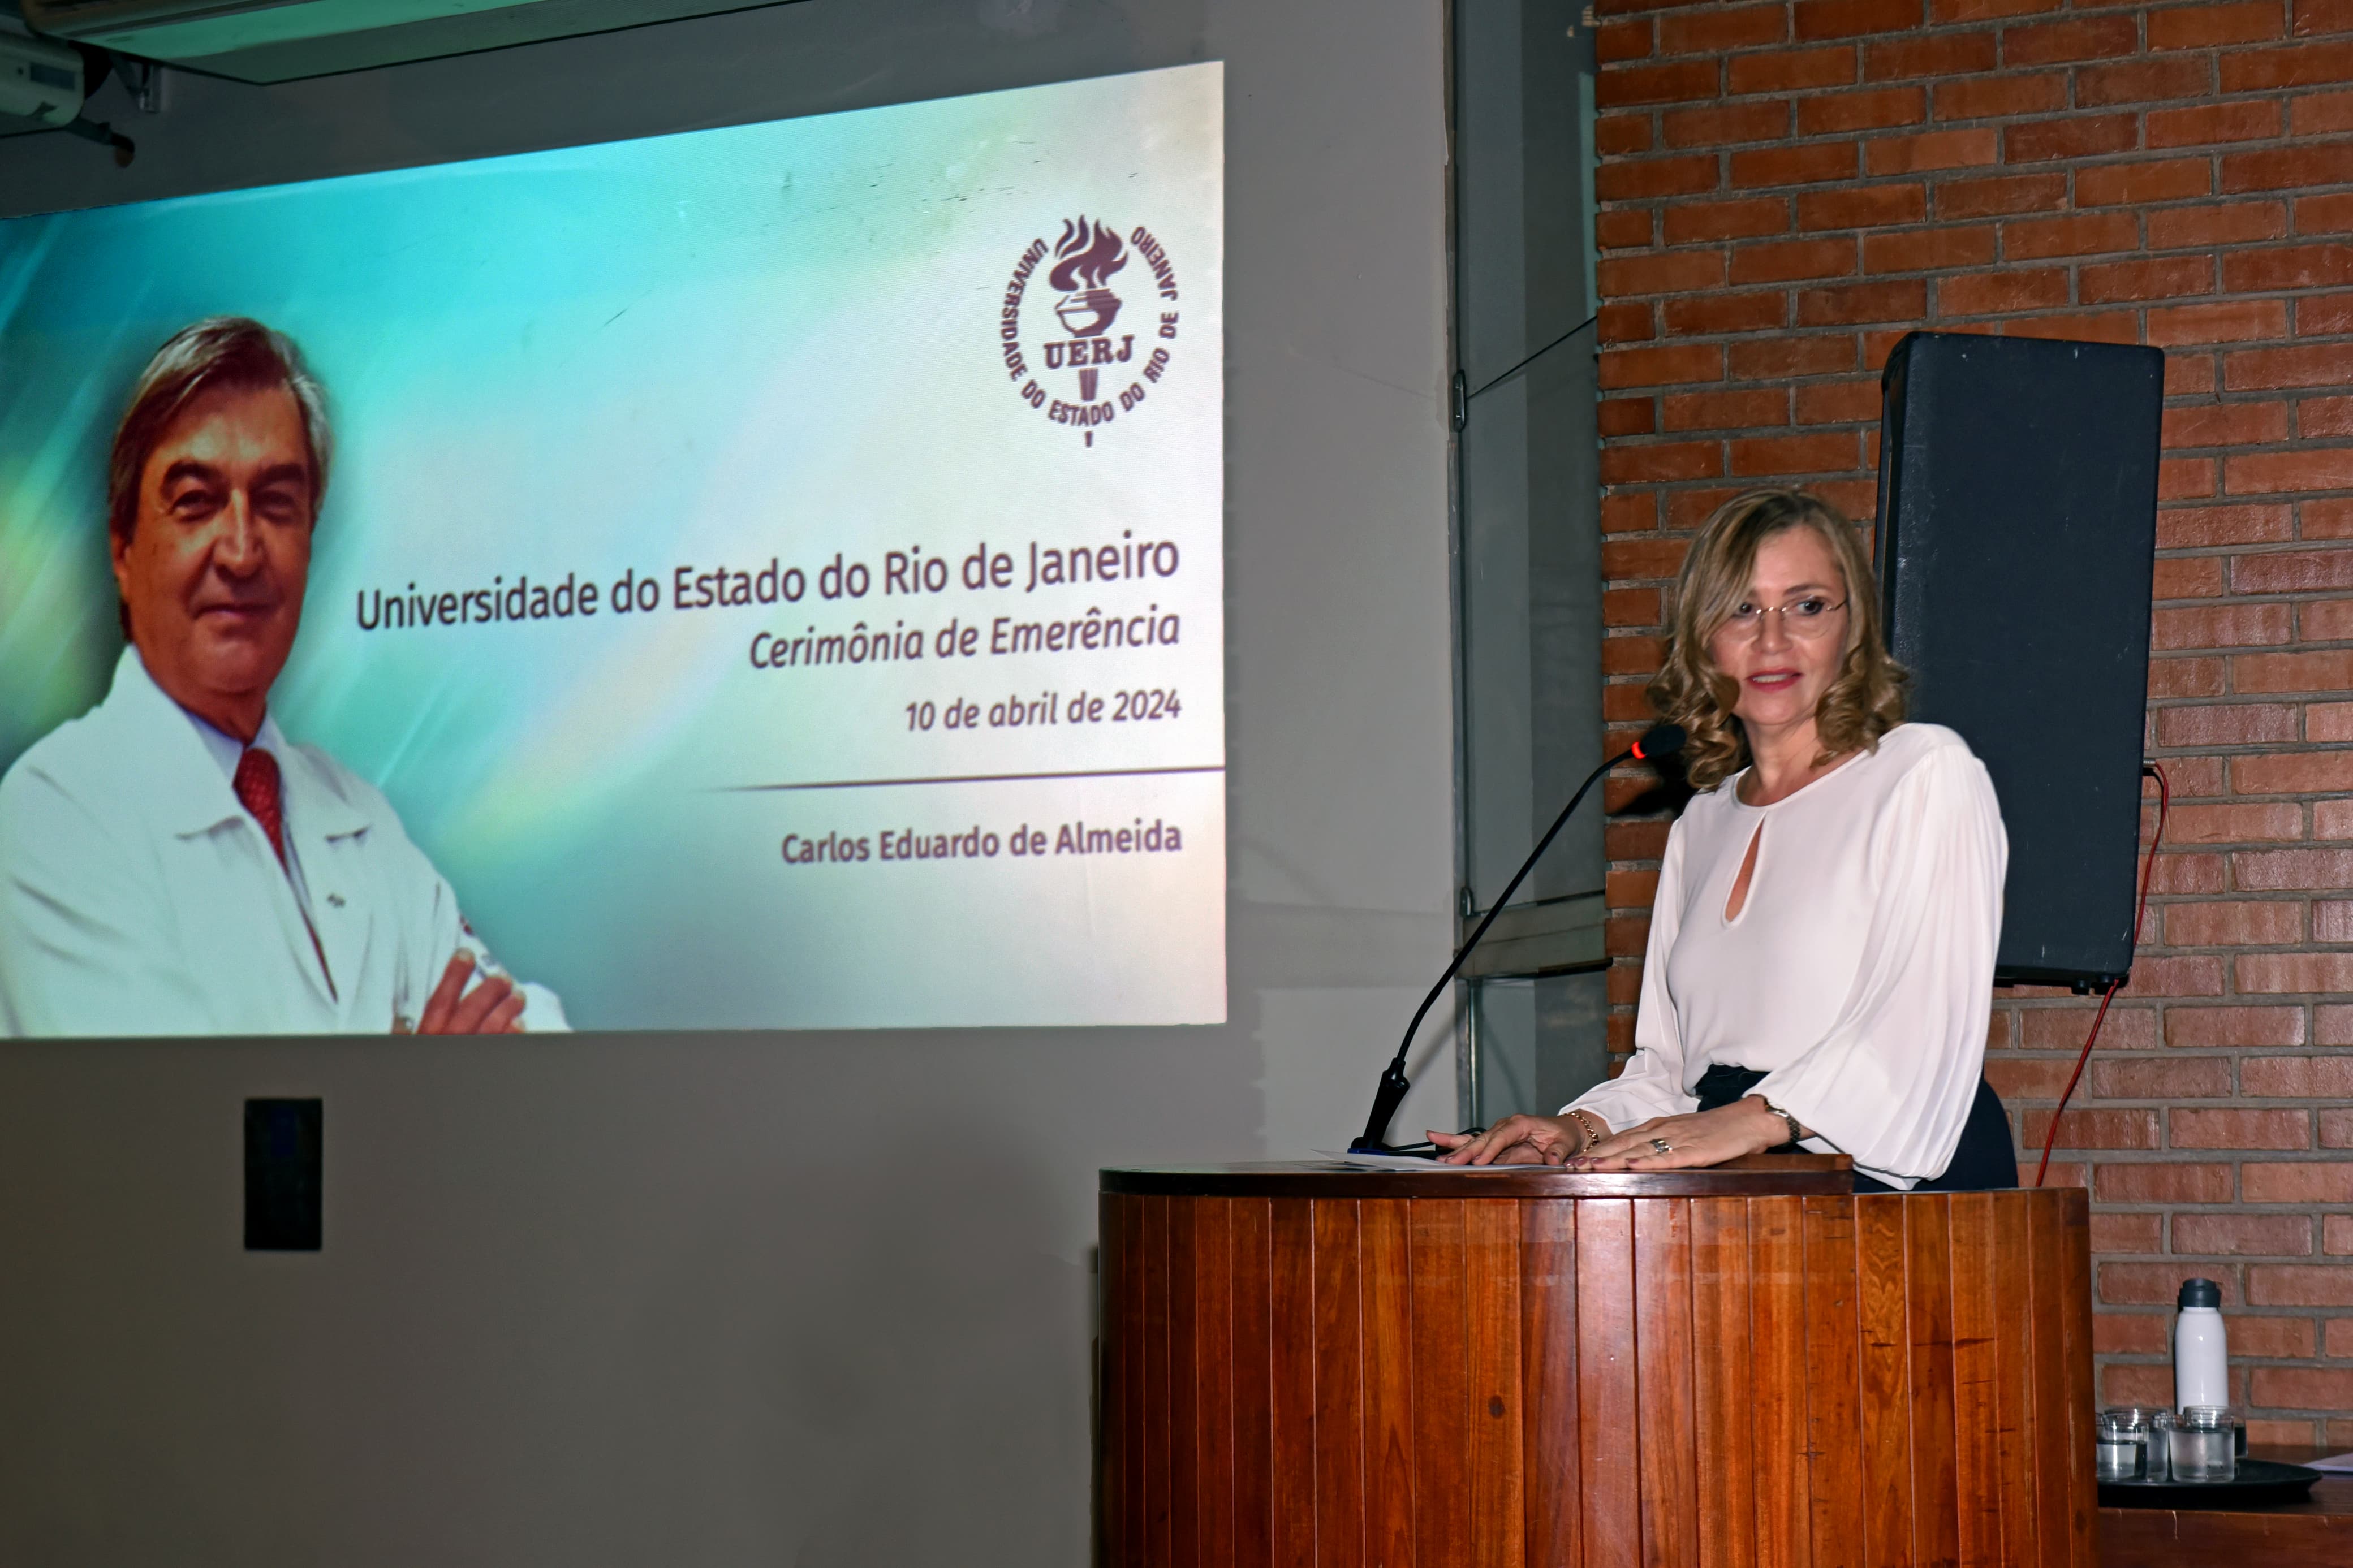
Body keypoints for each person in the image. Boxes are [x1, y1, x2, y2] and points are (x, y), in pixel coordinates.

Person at [0, 317, 564, 1038]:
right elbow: (172, 1105)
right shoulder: (53, 816)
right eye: (196, 501)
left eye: (275, 504)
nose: (241, 553)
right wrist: (415, 1070)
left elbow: (537, 1043)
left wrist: (400, 1072)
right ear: (123, 551)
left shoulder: (356, 814)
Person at [1436, 487, 2011, 1191]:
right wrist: (1579, 1129)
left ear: (1853, 626)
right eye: (1741, 609)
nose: (1771, 641)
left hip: (1885, 1183)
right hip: (1741, 1173)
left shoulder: (1921, 771)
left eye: (1806, 606)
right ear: (1703, 639)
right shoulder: (1701, 823)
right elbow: (1674, 1074)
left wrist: (1757, 1118)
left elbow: (1917, 1027)